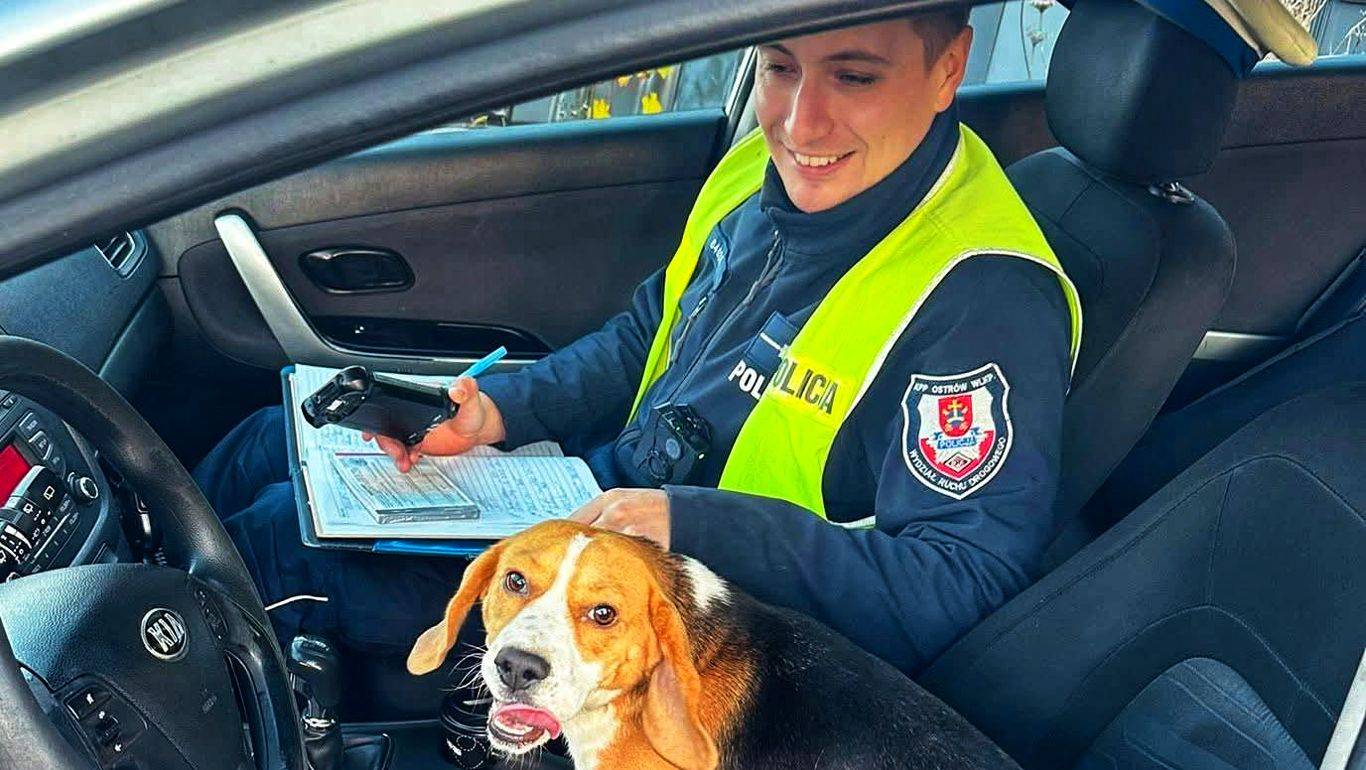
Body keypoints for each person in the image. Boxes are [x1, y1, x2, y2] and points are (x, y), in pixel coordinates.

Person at [193, 10, 1081, 677]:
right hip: (591, 494)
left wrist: (691, 524)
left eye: (853, 78)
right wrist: (499, 411)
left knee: (276, 543)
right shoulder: (758, 169)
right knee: (273, 442)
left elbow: (959, 583)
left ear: (948, 67)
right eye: (779, 66)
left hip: (687, 613)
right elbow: (645, 339)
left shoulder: (981, 297)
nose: (801, 124)